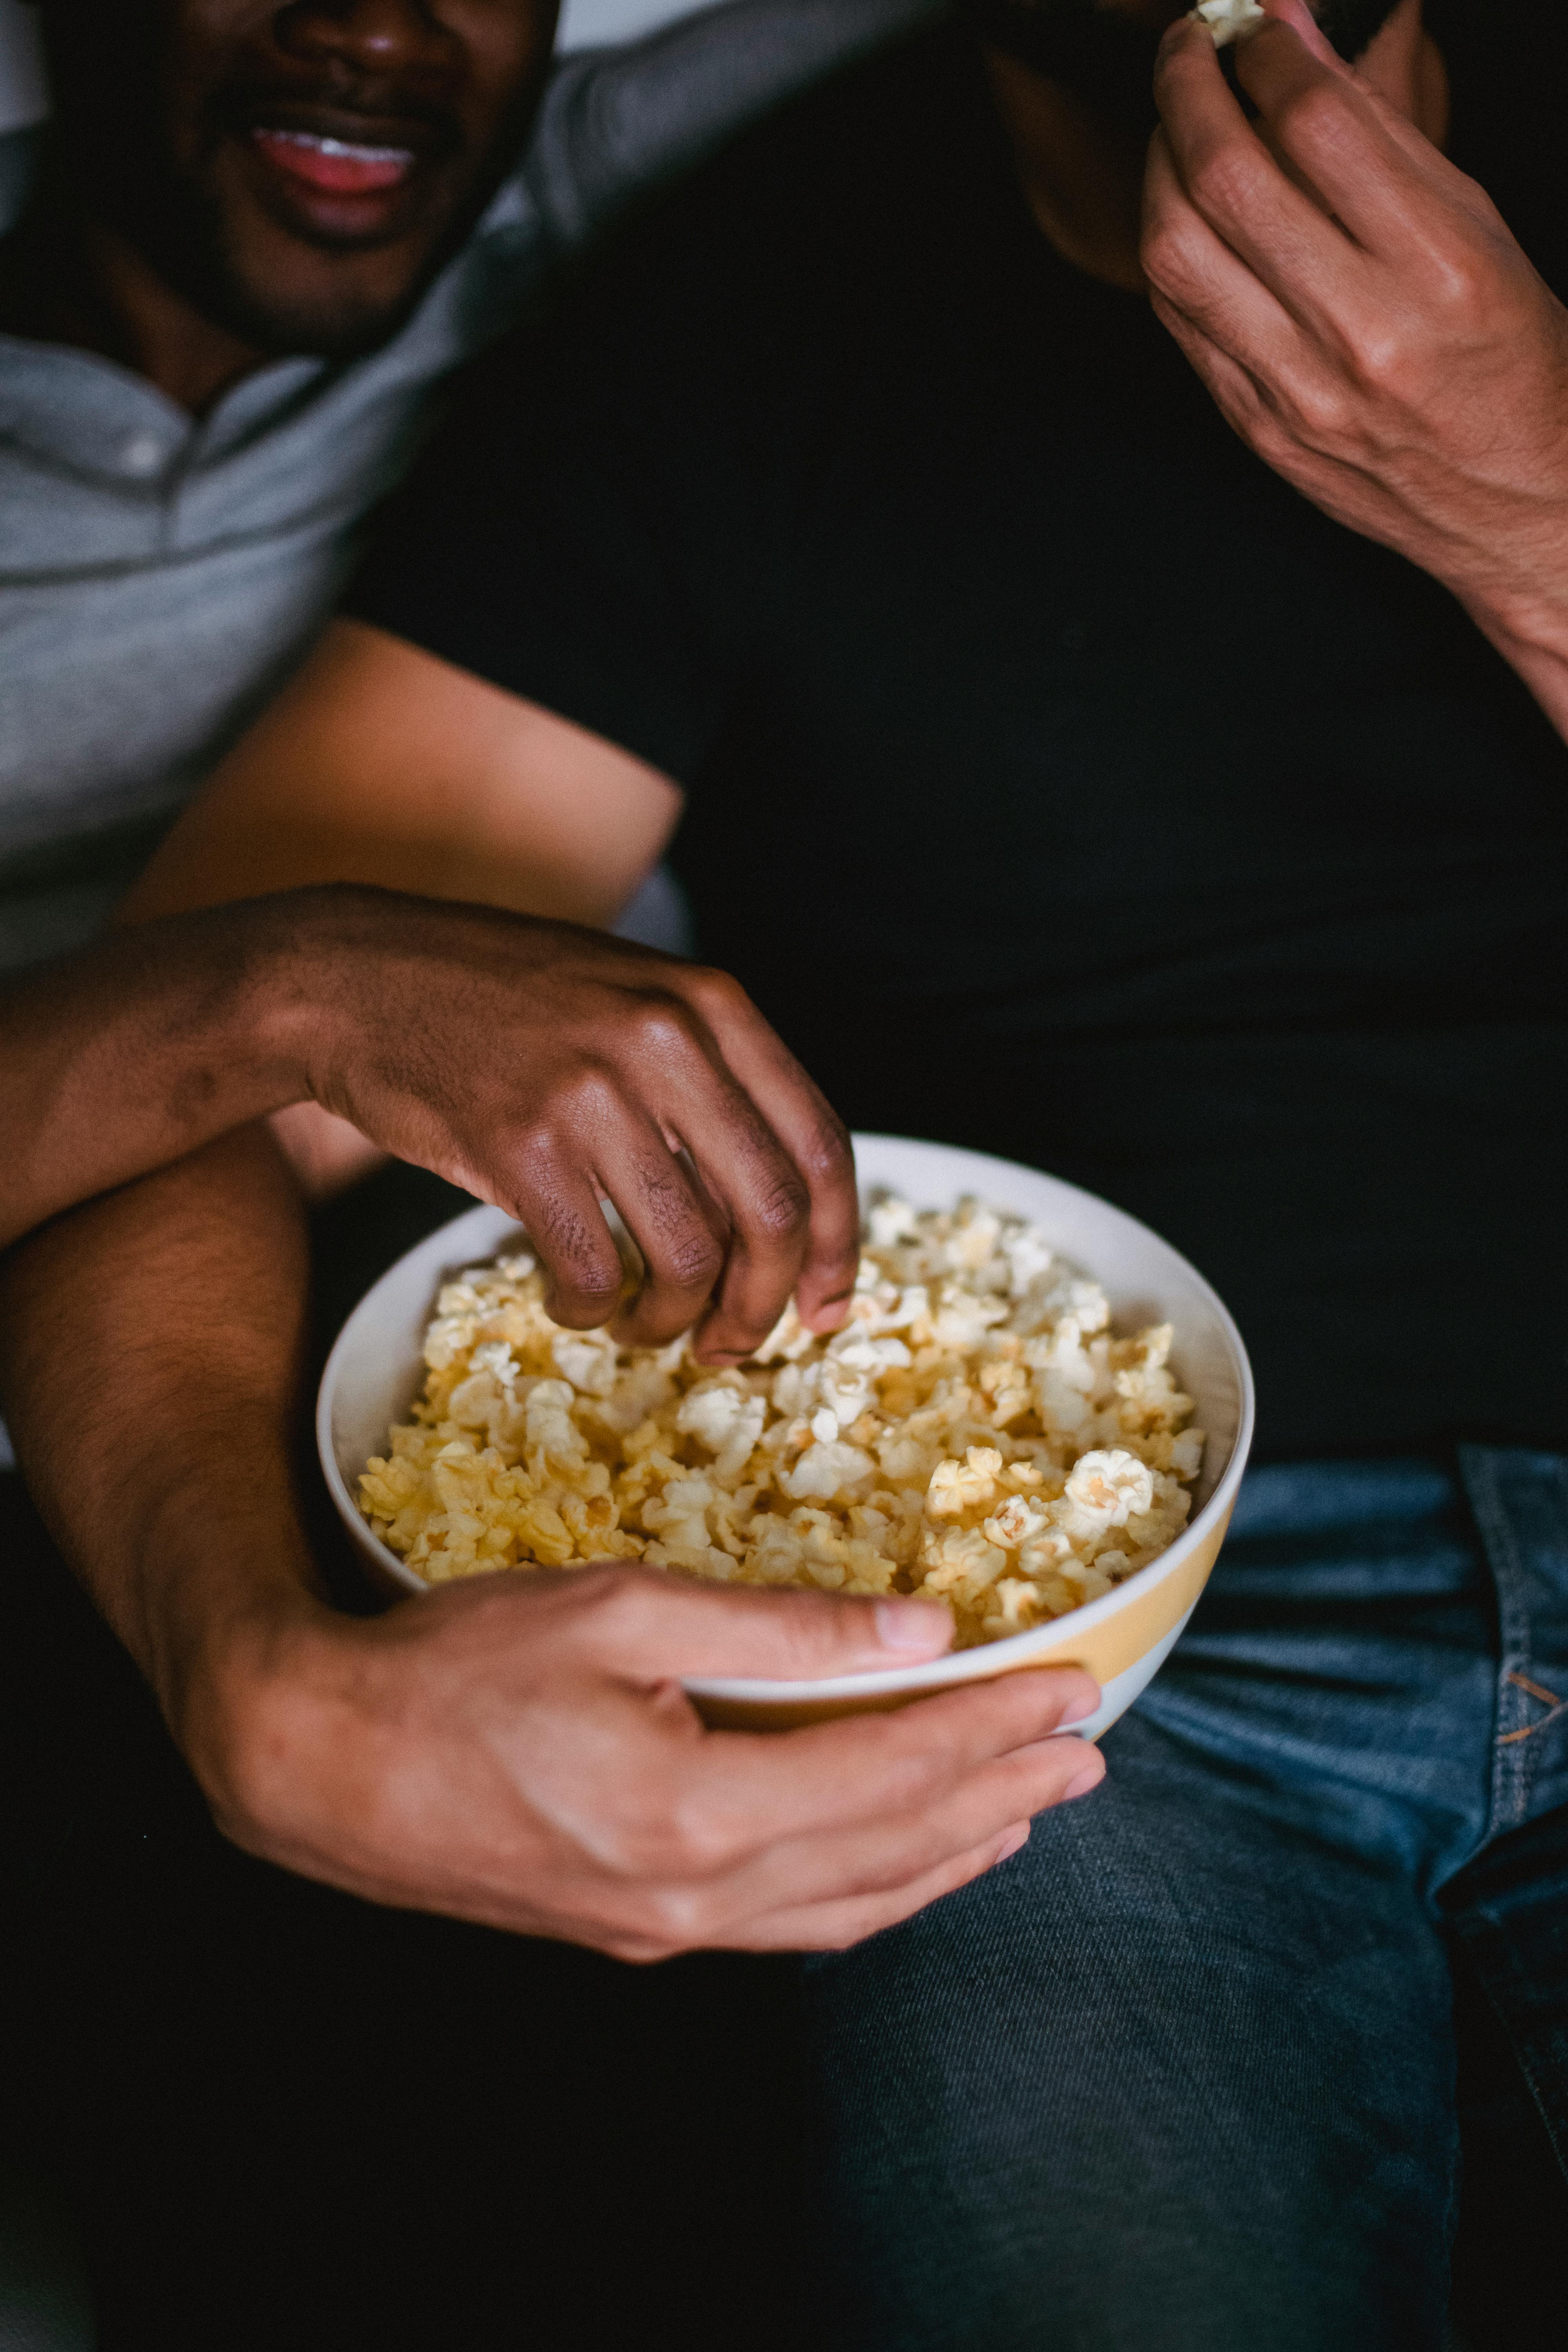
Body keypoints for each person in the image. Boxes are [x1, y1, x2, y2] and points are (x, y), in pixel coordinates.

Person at [6, 0, 1567, 2341]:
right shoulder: (726, 319)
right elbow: (220, 1075)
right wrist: (252, 1665)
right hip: (1076, 1665)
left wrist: (1540, 505)